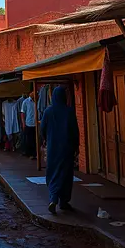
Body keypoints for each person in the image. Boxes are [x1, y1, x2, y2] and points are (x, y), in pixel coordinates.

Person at [40, 85, 78, 214]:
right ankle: (64, 201)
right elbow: (75, 131)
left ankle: (54, 197)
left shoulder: (48, 111)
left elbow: (42, 129)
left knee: (53, 173)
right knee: (66, 175)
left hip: (53, 148)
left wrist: (45, 139)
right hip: (67, 148)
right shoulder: (69, 111)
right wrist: (76, 146)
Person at [20, 91, 37, 159]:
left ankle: (34, 153)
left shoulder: (37, 101)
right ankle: (30, 153)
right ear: (30, 93)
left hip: (36, 123)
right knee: (29, 139)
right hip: (28, 123)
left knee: (35, 139)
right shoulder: (26, 102)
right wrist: (23, 123)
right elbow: (22, 113)